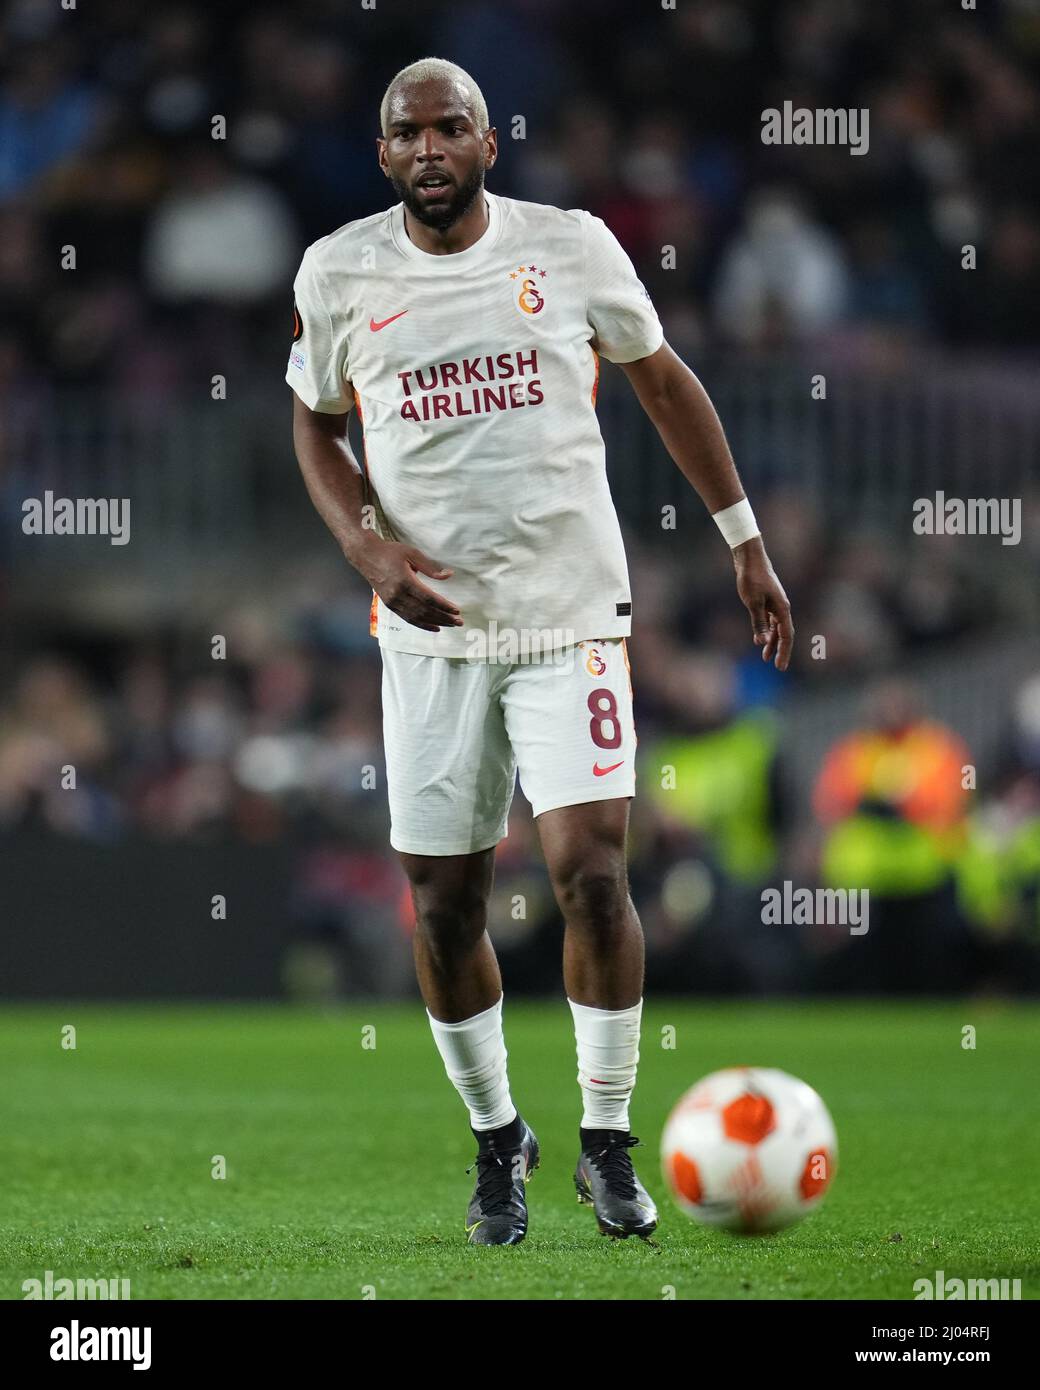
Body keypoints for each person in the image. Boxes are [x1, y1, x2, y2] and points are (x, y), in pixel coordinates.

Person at [286, 57, 793, 1245]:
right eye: (406, 131)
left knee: (593, 873)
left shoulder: (569, 247)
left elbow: (662, 381)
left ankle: (608, 1142)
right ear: (382, 153)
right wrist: (369, 551)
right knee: (444, 909)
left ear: (487, 141)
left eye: (448, 127)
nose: (428, 148)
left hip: (571, 618)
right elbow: (313, 425)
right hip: (431, 635)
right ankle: (497, 1140)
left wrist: (744, 541)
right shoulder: (338, 271)